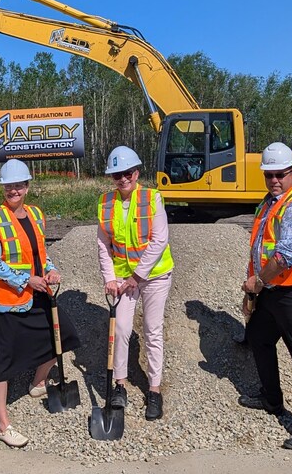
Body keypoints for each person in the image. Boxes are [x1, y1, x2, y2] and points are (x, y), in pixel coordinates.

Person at [0, 159, 80, 448]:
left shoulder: (36, 214)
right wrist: (28, 279)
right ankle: (3, 425)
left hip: (38, 291)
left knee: (65, 335)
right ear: (2, 187)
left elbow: (40, 253)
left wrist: (50, 269)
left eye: (19, 185)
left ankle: (38, 383)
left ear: (27, 187)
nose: (14, 190)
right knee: (1, 364)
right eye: (9, 185)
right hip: (7, 300)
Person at [237, 142, 292, 450]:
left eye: (280, 174)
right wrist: (254, 283)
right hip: (273, 288)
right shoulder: (268, 203)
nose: (274, 180)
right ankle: (272, 399)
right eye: (269, 175)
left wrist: (257, 283)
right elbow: (260, 248)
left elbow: (285, 256)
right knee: (259, 338)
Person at [96, 145, 173, 421]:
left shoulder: (153, 199)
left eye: (127, 173)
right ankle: (120, 385)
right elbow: (103, 244)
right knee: (121, 329)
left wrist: (137, 276)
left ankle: (154, 390)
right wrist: (110, 279)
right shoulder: (106, 203)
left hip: (153, 276)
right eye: (117, 175)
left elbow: (159, 240)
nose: (123, 178)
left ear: (137, 173)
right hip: (122, 279)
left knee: (152, 330)